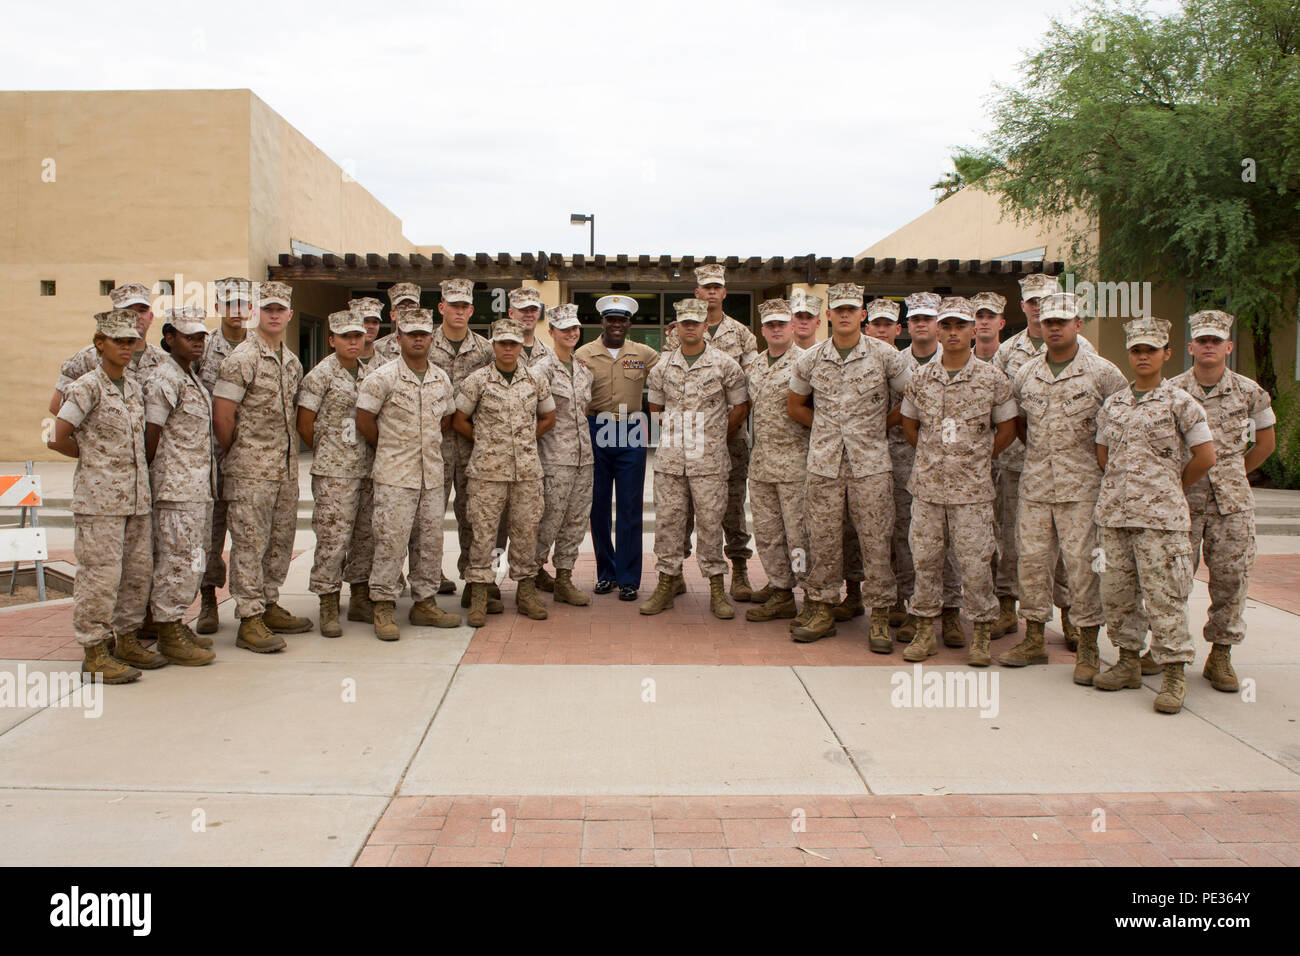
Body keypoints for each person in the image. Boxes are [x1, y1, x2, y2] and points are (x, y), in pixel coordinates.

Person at [997, 293, 1127, 681]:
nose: (1053, 327)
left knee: (1082, 567)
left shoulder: (1103, 373)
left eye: (1062, 321)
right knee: (1032, 562)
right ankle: (1034, 637)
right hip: (1036, 484)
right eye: (1048, 321)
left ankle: (1087, 643)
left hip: (1082, 488)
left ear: (1077, 325)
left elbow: (1120, 425)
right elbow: (1018, 424)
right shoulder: (1025, 374)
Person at [1092, 317, 1216, 714]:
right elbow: (1103, 453)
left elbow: (1205, 457)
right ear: (1129, 354)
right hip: (1115, 517)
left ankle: (1174, 674)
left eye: (1151, 350)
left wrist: (1169, 486)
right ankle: (1128, 661)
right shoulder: (1114, 404)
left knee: (1166, 598)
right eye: (1136, 350)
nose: (1143, 356)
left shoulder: (1181, 403)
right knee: (1117, 594)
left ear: (1166, 353)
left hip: (1162, 521)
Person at [787, 283, 911, 650]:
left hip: (871, 464)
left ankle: (881, 616)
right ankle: (823, 608)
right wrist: (828, 429)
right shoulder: (810, 359)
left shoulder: (886, 356)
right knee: (824, 540)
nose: (844, 315)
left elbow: (911, 400)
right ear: (828, 315)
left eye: (851, 309)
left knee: (875, 540)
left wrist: (877, 427)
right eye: (837, 309)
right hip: (824, 464)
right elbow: (795, 405)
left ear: (863, 315)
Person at [900, 296, 1018, 666]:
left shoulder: (992, 379)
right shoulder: (921, 378)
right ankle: (924, 630)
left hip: (972, 492)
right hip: (929, 489)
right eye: (946, 326)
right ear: (938, 329)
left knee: (975, 562)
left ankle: (981, 633)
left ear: (973, 331)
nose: (953, 333)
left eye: (960, 326)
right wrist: (936, 456)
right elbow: (909, 425)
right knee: (927, 559)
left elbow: (1008, 428)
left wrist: (977, 458)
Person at [1165, 310, 1275, 692]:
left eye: (1216, 341)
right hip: (1183, 497)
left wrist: (1234, 470)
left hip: (1232, 502)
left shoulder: (1250, 391)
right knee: (1173, 577)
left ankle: (1221, 654)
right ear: (1191, 346)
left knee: (1231, 578)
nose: (1209, 346)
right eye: (1203, 340)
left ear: (1228, 346)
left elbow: (1265, 443)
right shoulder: (1172, 390)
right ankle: (1168, 651)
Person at [48, 309, 155, 683]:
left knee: (136, 574)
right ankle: (95, 651)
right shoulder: (86, 386)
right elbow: (57, 436)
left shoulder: (133, 388)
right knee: (100, 576)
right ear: (100, 343)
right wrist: (94, 458)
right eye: (120, 341)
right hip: (99, 502)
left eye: (132, 341)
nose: (128, 348)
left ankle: (126, 640)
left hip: (136, 499)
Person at [212, 280, 311, 653]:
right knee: (250, 545)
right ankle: (249, 617)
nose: (273, 315)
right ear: (257, 313)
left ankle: (269, 603)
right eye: (266, 308)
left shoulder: (291, 361)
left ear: (288, 314)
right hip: (251, 471)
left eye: (279, 309)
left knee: (279, 542)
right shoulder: (241, 359)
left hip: (284, 471)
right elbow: (223, 418)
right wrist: (241, 455)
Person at [993, 274, 1092, 645]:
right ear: (1023, 306)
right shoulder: (1009, 352)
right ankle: (1008, 606)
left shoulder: (1087, 351)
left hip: (1073, 471)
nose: (1039, 307)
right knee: (1015, 539)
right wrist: (1031, 444)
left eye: (1046, 300)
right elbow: (1006, 410)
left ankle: (1070, 615)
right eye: (1033, 301)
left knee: (1070, 547)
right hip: (1021, 463)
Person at [355, 308, 462, 639]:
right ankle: (384, 605)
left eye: (423, 334)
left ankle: (424, 603)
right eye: (410, 333)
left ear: (432, 338)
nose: (418, 339)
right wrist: (392, 448)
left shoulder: (440, 378)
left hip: (431, 476)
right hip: (394, 476)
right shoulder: (382, 378)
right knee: (390, 541)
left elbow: (445, 419)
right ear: (398, 337)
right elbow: (364, 421)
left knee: (430, 541)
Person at [641, 298, 749, 618]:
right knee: (669, 524)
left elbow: (740, 407)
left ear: (705, 325)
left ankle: (716, 587)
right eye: (684, 321)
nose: (690, 326)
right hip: (671, 462)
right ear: (677, 325)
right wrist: (676, 435)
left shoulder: (725, 364)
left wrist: (715, 436)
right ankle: (668, 581)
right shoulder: (663, 367)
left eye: (696, 321)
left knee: (711, 523)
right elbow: (656, 408)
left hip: (710, 461)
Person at [664, 265, 760, 600]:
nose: (711, 293)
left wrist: (720, 433)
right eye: (705, 287)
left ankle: (739, 571)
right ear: (697, 293)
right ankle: (674, 574)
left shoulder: (742, 334)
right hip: (686, 444)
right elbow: (668, 383)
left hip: (729, 442)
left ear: (725, 292)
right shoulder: (675, 333)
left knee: (731, 508)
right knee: (683, 510)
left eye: (717, 287)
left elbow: (745, 392)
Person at [453, 318, 556, 625]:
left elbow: (548, 416)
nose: (508, 348)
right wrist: (486, 441)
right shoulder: (477, 380)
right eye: (502, 343)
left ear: (521, 345)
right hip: (486, 472)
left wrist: (524, 440)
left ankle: (525, 593)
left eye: (514, 343)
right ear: (494, 346)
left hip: (526, 472)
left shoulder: (535, 380)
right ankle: (479, 595)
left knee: (526, 532)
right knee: (482, 535)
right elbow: (459, 420)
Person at [142, 307, 218, 665]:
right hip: (174, 491)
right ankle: (168, 630)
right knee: (177, 561)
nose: (198, 343)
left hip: (196, 489)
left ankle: (175, 623)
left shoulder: (192, 378)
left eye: (202, 337)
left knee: (193, 560)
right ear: (170, 337)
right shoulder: (164, 379)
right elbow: (150, 435)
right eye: (190, 337)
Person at [297, 309, 376, 637]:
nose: (353, 341)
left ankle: (359, 596)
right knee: (333, 537)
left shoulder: (369, 373)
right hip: (334, 472)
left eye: (357, 336)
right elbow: (305, 423)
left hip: (367, 469)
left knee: (364, 536)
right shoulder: (320, 375)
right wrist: (329, 451)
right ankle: (328, 600)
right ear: (332, 340)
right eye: (346, 336)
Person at [576, 295, 659, 600]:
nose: (616, 324)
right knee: (597, 507)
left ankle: (628, 579)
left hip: (631, 428)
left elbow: (671, 372)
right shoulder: (583, 354)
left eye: (621, 320)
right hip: (597, 426)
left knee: (629, 506)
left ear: (628, 324)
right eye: (611, 319)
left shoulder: (644, 353)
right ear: (603, 322)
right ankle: (606, 573)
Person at [895, 292, 963, 645]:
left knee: (951, 542)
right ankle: (914, 606)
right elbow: (904, 419)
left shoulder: (961, 361)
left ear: (938, 325)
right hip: (903, 463)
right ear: (907, 325)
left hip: (955, 472)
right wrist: (921, 450)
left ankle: (951, 611)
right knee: (911, 541)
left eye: (928, 318)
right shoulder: (896, 362)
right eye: (915, 319)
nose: (922, 324)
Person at [431, 278, 497, 604]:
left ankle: (476, 582)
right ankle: (426, 584)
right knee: (428, 516)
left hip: (473, 444)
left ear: (471, 310)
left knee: (475, 516)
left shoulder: (486, 350)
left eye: (464, 306)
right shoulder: (423, 344)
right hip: (433, 446)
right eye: (452, 305)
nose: (458, 311)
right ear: (441, 307)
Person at [744, 299, 810, 623]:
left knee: (799, 535)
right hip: (760, 465)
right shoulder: (755, 365)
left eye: (781, 324)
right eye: (770, 325)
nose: (776, 329)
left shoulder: (806, 362)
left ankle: (811, 595)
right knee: (768, 534)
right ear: (762, 330)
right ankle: (781, 590)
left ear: (793, 327)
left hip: (796, 464)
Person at [194, 277, 251, 635]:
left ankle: (254, 605)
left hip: (250, 459)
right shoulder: (201, 349)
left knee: (250, 536)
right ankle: (208, 600)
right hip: (211, 460)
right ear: (218, 308)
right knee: (209, 536)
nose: (237, 311)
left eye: (243, 303)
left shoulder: (260, 348)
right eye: (229, 304)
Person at [532, 304, 595, 606]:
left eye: (575, 328)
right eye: (565, 329)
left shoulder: (583, 370)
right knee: (547, 522)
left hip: (584, 460)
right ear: (551, 332)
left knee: (575, 522)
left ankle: (564, 579)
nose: (571, 333)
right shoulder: (539, 371)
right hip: (553, 460)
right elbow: (531, 416)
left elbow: (582, 411)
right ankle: (530, 577)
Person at [50, 283, 169, 415]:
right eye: (128, 311)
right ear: (114, 315)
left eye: (142, 310)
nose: (135, 316)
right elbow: (57, 406)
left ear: (150, 317)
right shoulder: (88, 357)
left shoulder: (164, 361)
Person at [371, 284, 419, 366]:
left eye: (412, 306)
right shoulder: (377, 348)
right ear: (392, 315)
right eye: (401, 306)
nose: (407, 310)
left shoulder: (431, 346)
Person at [509, 287, 553, 367]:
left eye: (533, 310)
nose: (529, 314)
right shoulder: (493, 350)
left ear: (539, 313)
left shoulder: (549, 354)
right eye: (523, 309)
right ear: (511, 313)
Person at [350, 297, 386, 369]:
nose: (371, 326)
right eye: (365, 321)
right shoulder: (334, 364)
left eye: (375, 322)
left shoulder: (385, 366)